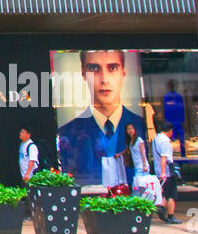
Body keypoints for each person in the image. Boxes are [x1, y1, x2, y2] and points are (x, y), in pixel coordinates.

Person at [56, 49, 147, 185]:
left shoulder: (140, 123)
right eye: (94, 68)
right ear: (83, 73)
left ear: (123, 72)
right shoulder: (69, 131)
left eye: (112, 68)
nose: (104, 80)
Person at [152, 120, 181, 224]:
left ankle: (161, 208)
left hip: (158, 170)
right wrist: (164, 172)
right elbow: (164, 157)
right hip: (167, 172)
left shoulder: (156, 139)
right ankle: (170, 216)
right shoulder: (165, 141)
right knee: (171, 194)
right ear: (170, 130)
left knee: (164, 192)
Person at [163, 81, 187, 157]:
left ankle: (182, 153)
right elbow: (166, 109)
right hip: (172, 121)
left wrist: (182, 120)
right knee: (171, 138)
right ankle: (173, 154)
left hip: (176, 120)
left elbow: (181, 109)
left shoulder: (176, 96)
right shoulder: (167, 96)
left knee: (180, 137)